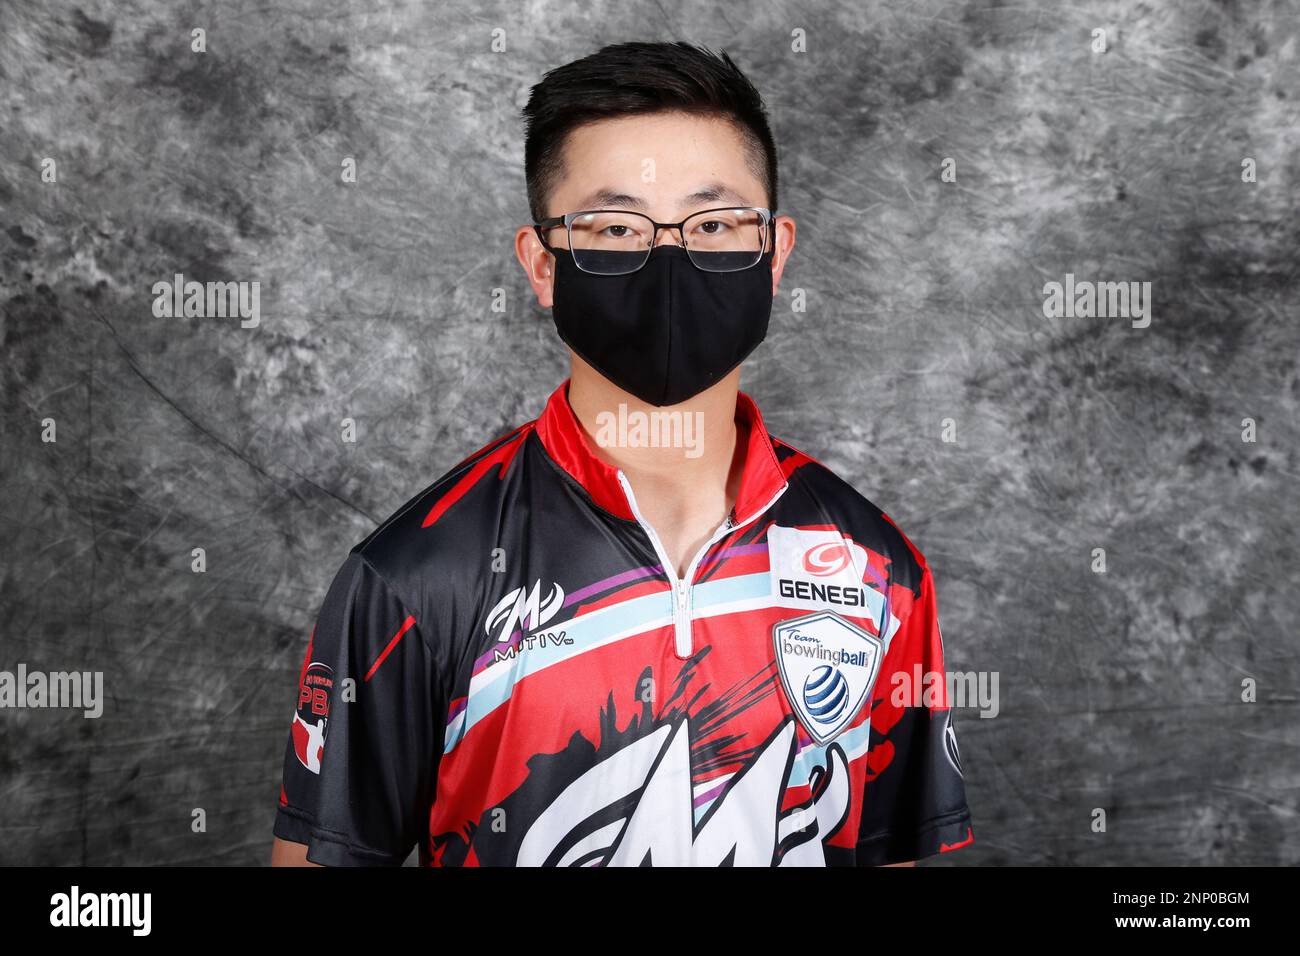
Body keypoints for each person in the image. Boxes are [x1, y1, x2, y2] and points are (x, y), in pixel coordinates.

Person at [270, 40, 973, 867]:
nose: (669, 259)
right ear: (541, 264)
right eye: (613, 226)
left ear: (776, 253)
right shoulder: (413, 579)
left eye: (714, 223)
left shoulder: (879, 571)